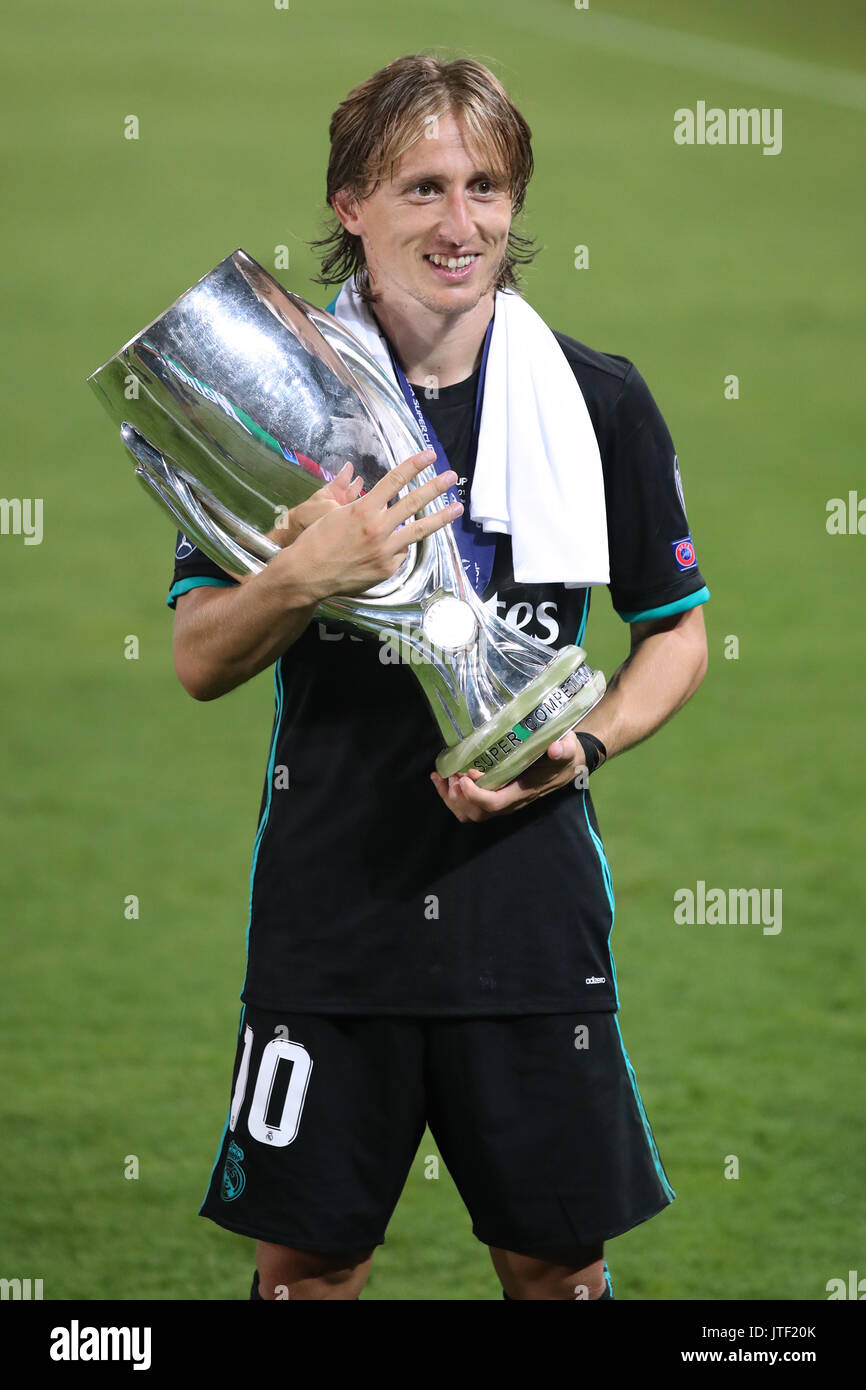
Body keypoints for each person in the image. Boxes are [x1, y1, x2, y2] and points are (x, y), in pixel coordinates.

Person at [167, 54, 709, 1301]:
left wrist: (588, 744)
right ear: (350, 202)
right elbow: (200, 657)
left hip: (527, 916)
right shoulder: (264, 406)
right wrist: (309, 572)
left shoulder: (595, 398)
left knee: (558, 1267)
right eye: (420, 187)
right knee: (308, 1271)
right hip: (332, 913)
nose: (458, 223)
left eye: (484, 186)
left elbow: (673, 632)